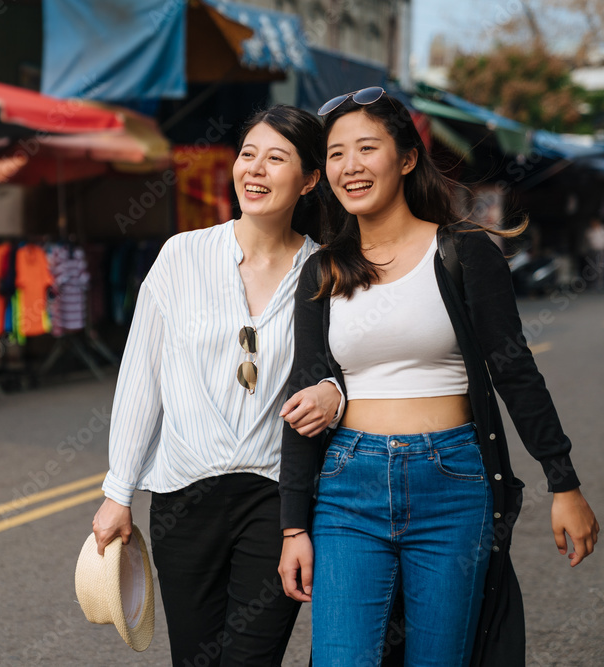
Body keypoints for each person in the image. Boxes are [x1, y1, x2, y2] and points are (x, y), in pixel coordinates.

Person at [277, 87, 600, 666]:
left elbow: (514, 371)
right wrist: (292, 527)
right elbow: (304, 397)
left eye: (367, 148)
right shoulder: (323, 270)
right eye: (335, 154)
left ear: (406, 158)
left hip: (452, 483)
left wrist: (563, 482)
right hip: (349, 486)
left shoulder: (462, 252)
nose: (350, 166)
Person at [92, 106, 344, 665]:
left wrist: (336, 393)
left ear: (309, 179)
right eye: (248, 154)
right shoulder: (181, 255)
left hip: (278, 496)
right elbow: (141, 378)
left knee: (251, 658)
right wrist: (118, 492)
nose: (255, 169)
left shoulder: (326, 271)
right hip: (185, 494)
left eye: (275, 158)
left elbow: (354, 367)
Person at [586, 217, 604, 290]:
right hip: (592, 250)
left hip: (601, 250)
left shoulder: (602, 230)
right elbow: (589, 241)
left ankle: (600, 283)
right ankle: (593, 283)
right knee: (592, 267)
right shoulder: (589, 231)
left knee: (600, 266)